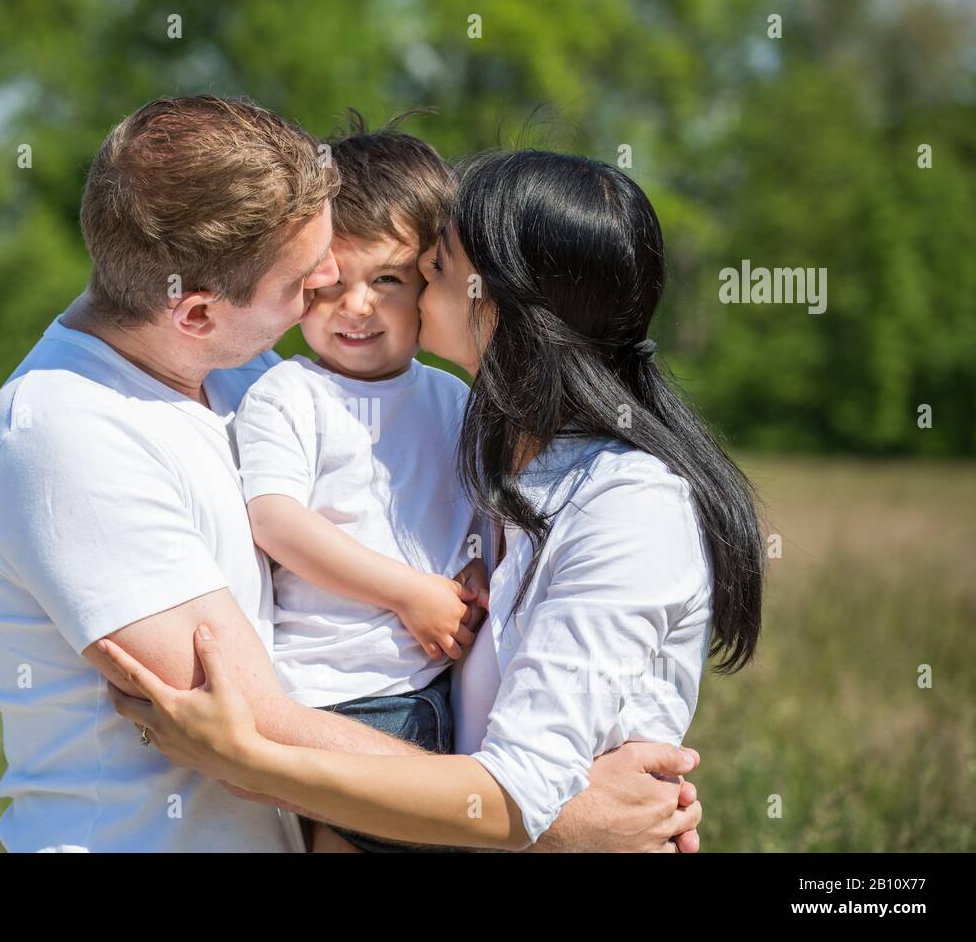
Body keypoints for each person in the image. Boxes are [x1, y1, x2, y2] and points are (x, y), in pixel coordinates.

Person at [97, 149, 764, 852]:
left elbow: (518, 794)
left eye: (430, 268)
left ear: (496, 302)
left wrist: (251, 761)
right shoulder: (502, 461)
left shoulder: (628, 508)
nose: (405, 290)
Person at [233, 117, 485, 852]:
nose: (357, 306)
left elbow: (470, 516)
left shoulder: (455, 398)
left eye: (387, 280)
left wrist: (469, 572)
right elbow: (277, 521)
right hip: (339, 700)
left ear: (433, 282)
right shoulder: (289, 393)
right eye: (329, 283)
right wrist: (409, 593)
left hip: (445, 694)